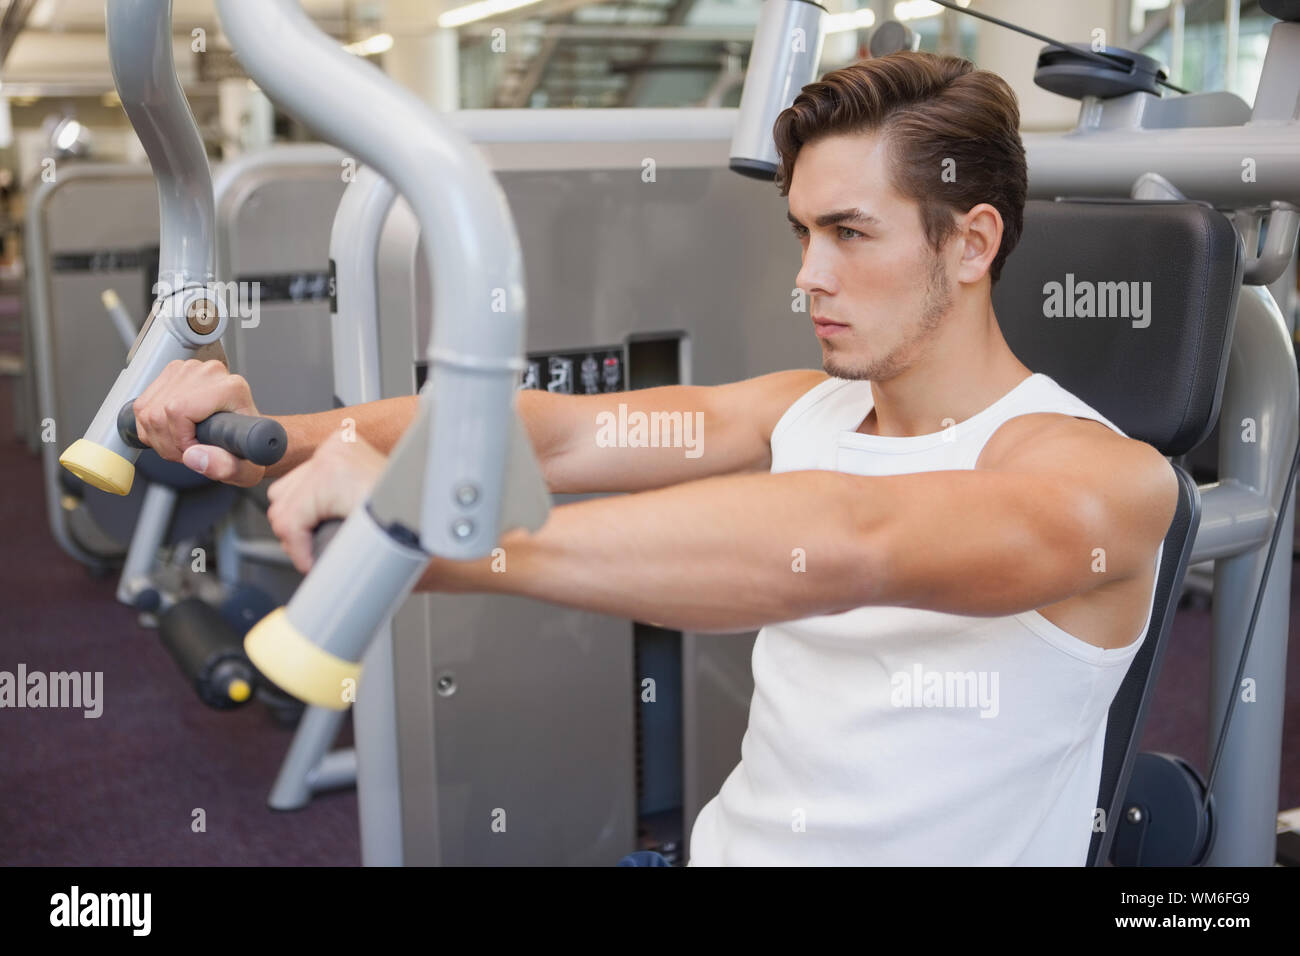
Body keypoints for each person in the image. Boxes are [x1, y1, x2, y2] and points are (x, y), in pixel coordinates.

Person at [125, 51, 1177, 865]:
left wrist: (445, 535)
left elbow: (852, 537)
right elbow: (564, 429)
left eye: (851, 233)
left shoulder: (1099, 486)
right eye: (801, 231)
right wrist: (284, 441)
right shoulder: (805, 409)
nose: (807, 275)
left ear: (972, 241)